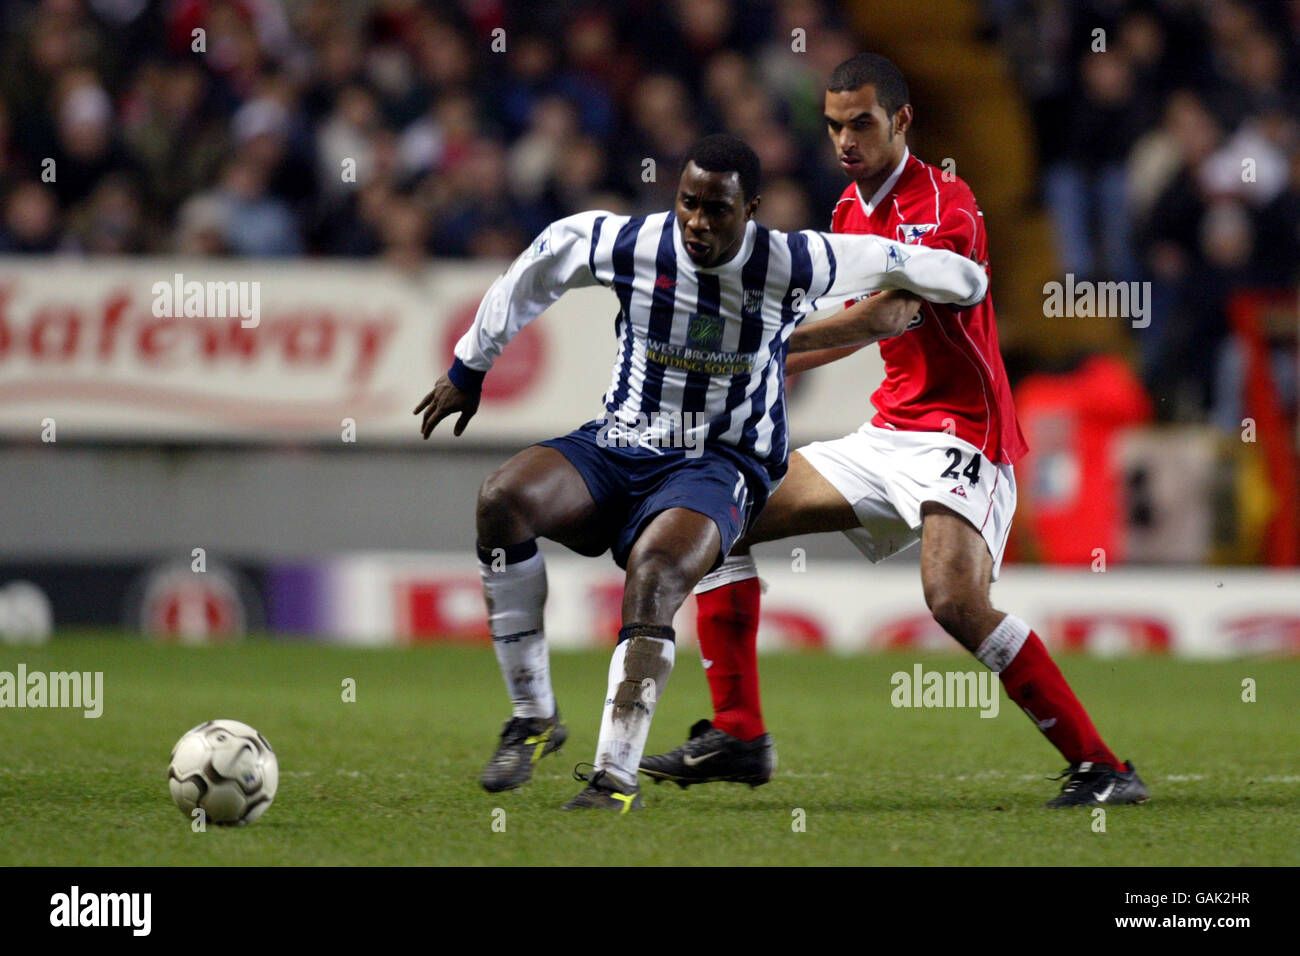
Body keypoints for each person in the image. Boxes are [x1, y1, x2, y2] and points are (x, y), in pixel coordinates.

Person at [414, 133, 988, 812]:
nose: (698, 222)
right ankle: (533, 717)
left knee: (654, 574)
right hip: (619, 445)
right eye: (688, 203)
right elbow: (542, 263)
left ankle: (613, 778)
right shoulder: (632, 243)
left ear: (752, 209)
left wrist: (963, 280)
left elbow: (938, 269)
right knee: (501, 499)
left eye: (717, 210)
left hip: (721, 464)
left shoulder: (796, 259)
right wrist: (469, 368)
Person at [639, 56, 1149, 808]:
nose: (846, 139)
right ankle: (740, 734)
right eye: (835, 125)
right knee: (723, 517)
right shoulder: (850, 211)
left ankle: (1105, 767)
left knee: (953, 601)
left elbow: (890, 313)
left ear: (901, 121)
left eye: (862, 124)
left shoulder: (949, 203)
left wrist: (770, 345)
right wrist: (783, 368)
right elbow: (856, 328)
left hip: (964, 435)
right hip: (891, 430)